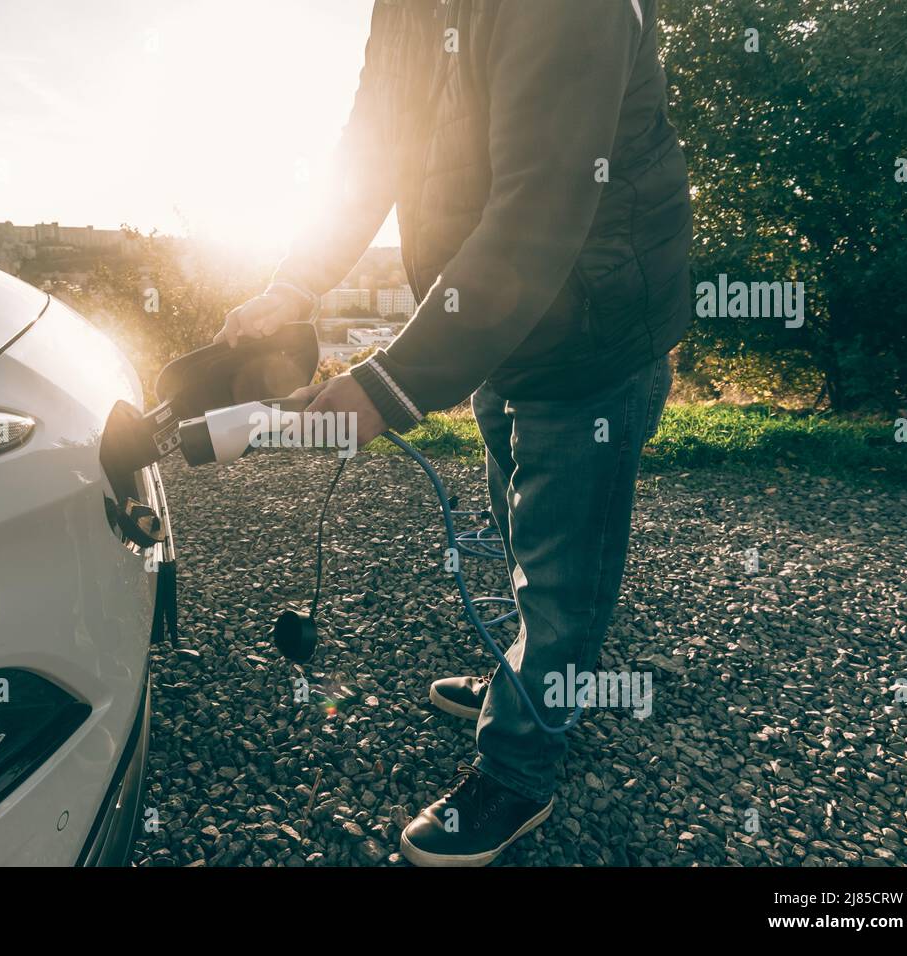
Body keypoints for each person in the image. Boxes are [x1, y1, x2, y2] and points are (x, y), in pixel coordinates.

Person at [215, 0, 692, 866]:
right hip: (494, 327)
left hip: (593, 333)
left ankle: (521, 767)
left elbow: (542, 205)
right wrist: (294, 286)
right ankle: (528, 675)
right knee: (518, 525)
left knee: (563, 579)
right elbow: (371, 149)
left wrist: (392, 382)